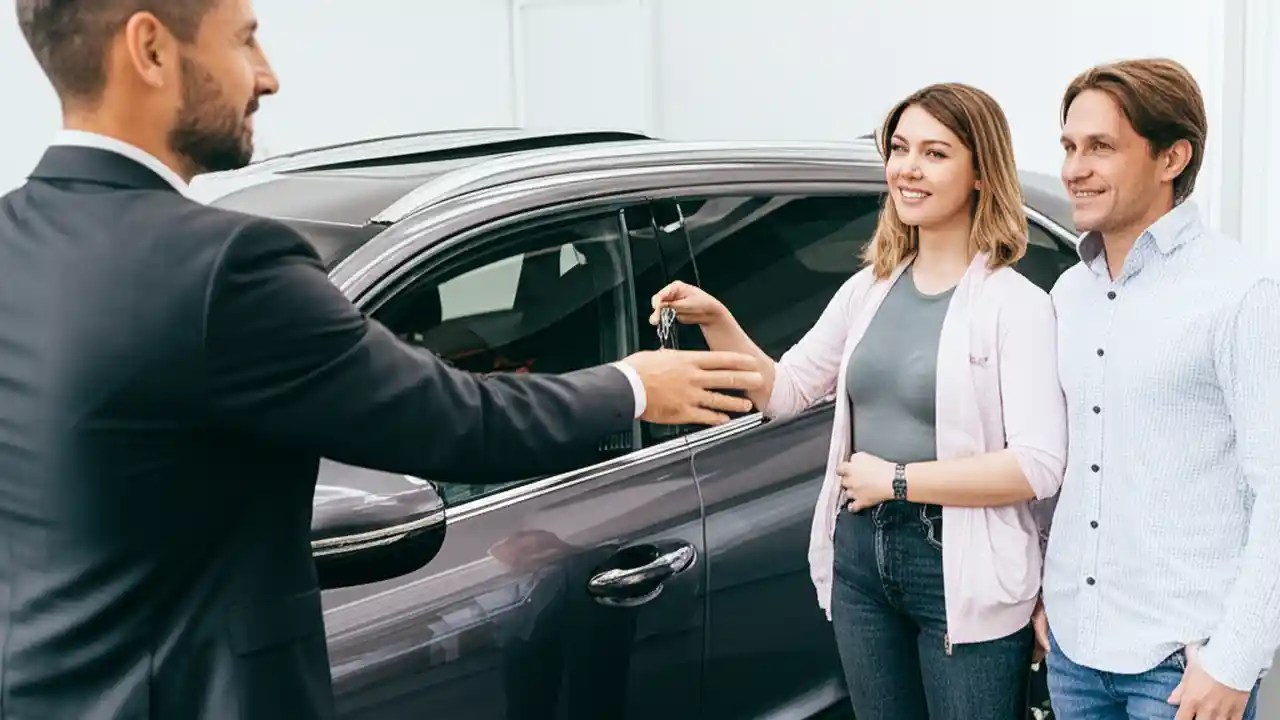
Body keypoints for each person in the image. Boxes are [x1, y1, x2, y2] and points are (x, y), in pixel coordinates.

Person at [0, 1, 764, 718]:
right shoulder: (222, 266)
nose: (267, 73)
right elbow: (452, 423)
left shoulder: (12, 239)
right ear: (151, 48)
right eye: (243, 38)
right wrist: (632, 385)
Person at [651, 82, 1067, 720]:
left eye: (935, 153)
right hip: (860, 558)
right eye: (900, 149)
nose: (909, 168)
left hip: (957, 562)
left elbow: (1038, 465)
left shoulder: (1016, 306)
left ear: (981, 172)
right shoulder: (869, 288)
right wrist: (714, 316)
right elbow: (785, 391)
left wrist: (898, 480)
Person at [1038, 57, 1280, 720]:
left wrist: (1236, 658)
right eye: (1069, 146)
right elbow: (1063, 463)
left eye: (1100, 148)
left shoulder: (1241, 293)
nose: (1073, 169)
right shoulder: (1067, 294)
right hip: (1074, 653)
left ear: (1173, 157)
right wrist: (1047, 597)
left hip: (1183, 666)